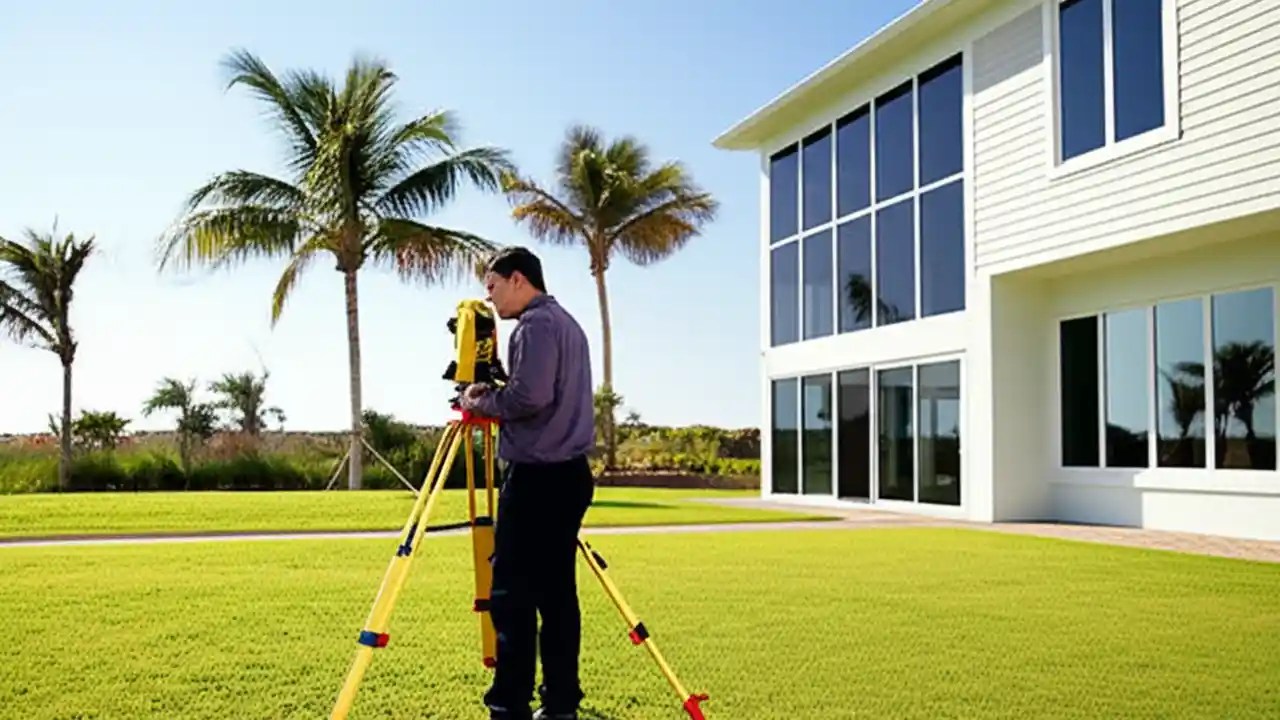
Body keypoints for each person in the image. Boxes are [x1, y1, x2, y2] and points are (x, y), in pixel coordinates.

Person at [460, 246, 596, 720]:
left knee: (512, 597)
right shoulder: (568, 325)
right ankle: (560, 703)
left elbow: (528, 398)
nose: (491, 299)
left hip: (538, 478)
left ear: (518, 279)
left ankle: (508, 705)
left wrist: (480, 400)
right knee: (557, 597)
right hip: (569, 475)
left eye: (493, 287)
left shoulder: (535, 326)